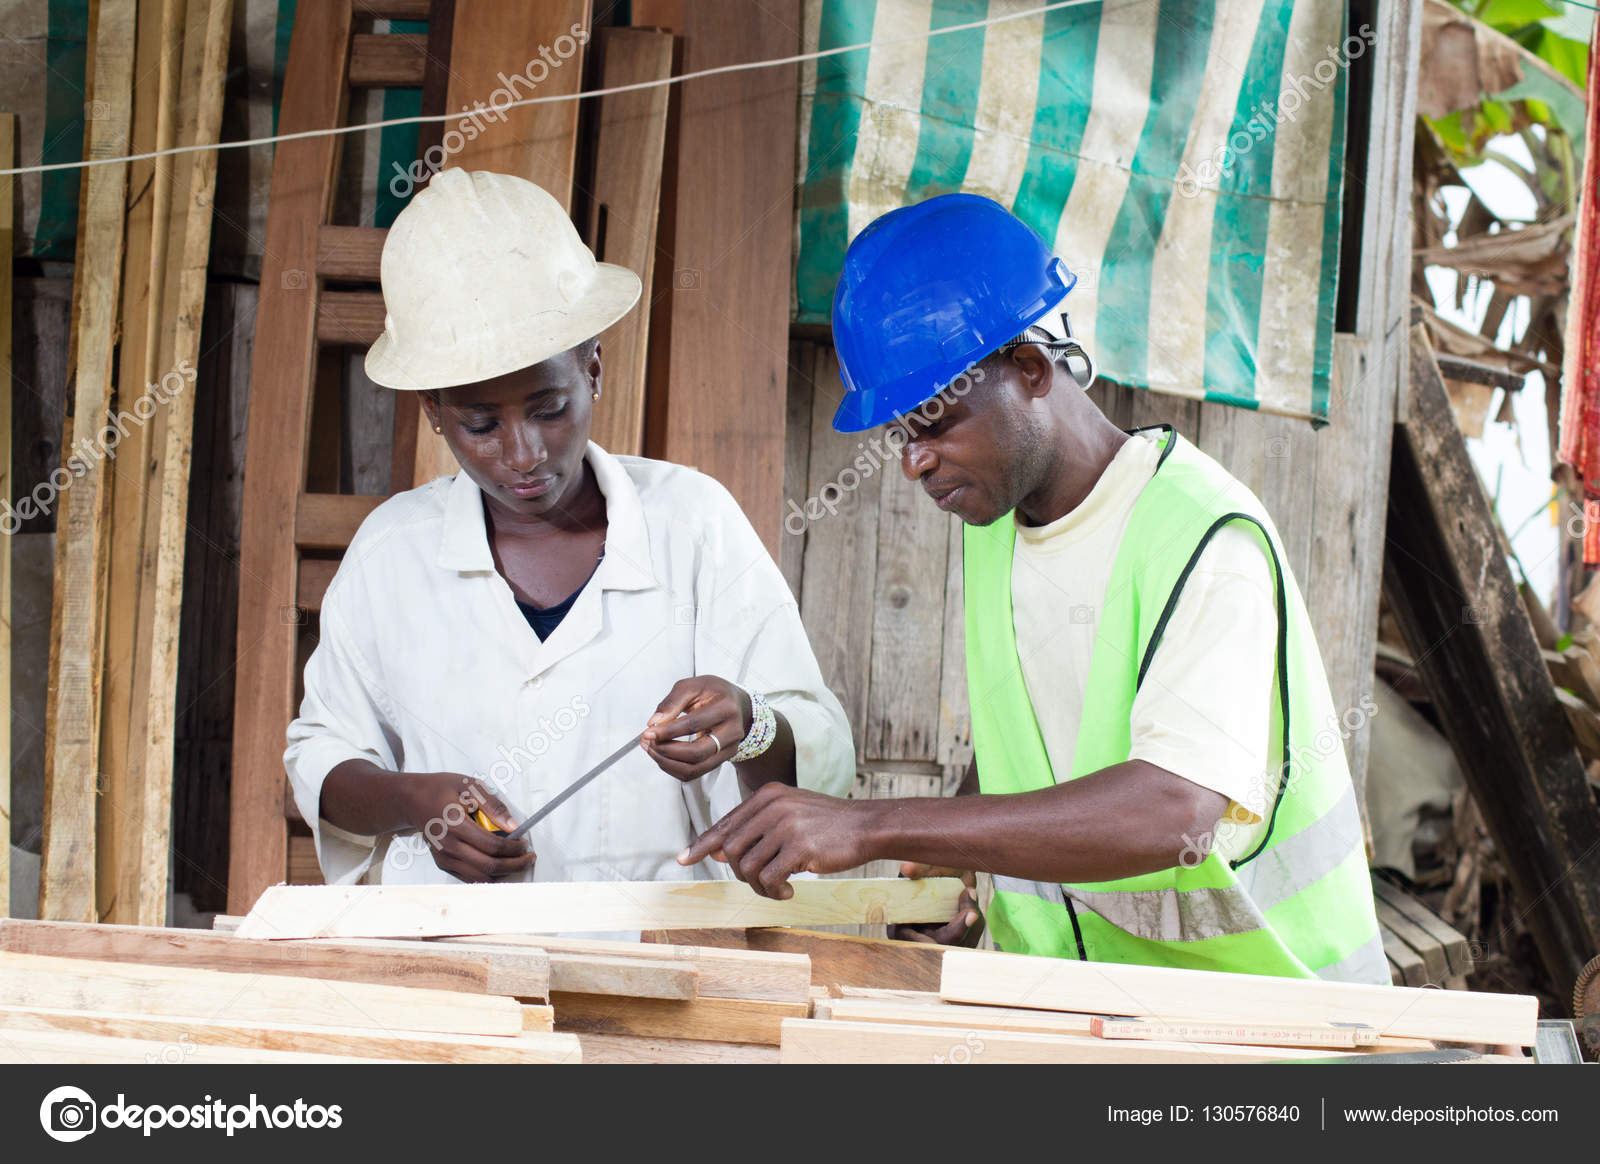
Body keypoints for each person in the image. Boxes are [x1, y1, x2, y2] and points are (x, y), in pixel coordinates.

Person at [679, 193, 1387, 983]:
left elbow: (1173, 809)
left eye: (933, 422)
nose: (912, 462)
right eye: (898, 435)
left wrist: (880, 827)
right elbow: (1035, 732)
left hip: (1276, 1022)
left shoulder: (1203, 535)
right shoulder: (999, 525)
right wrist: (965, 873)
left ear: (1029, 369)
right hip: (1086, 1009)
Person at [285, 169, 853, 891]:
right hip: (454, 972)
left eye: (550, 408)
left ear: (593, 368)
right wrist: (415, 802)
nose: (523, 455)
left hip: (661, 975)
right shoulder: (391, 554)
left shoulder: (694, 524)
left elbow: (821, 749)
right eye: (481, 424)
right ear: (432, 410)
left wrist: (751, 723)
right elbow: (321, 754)